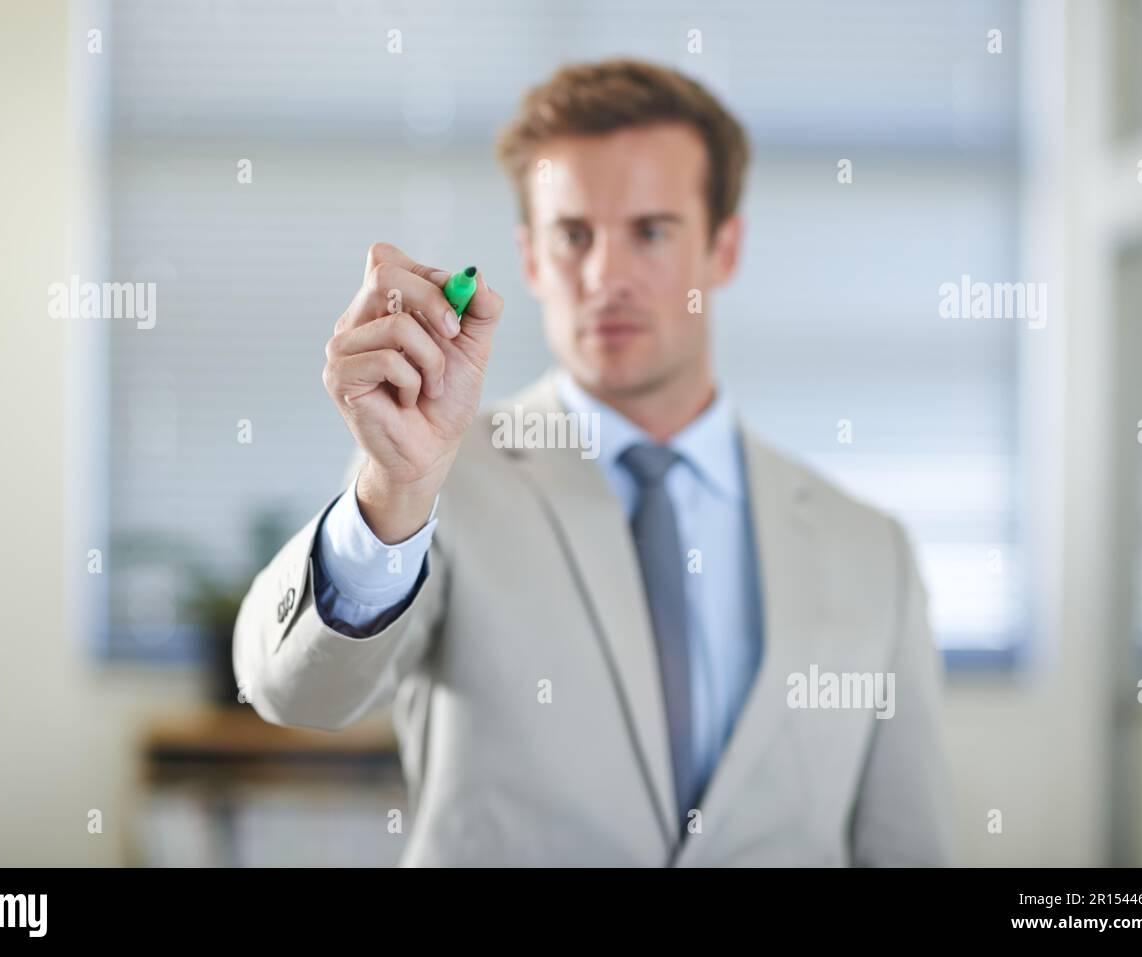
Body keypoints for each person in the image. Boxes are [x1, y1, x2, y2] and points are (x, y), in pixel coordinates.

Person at [233, 58, 954, 866]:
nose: (606, 276)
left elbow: (908, 846)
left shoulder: (871, 552)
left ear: (723, 247)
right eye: (573, 235)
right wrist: (393, 489)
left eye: (651, 231)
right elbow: (296, 692)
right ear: (532, 259)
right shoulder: (435, 480)